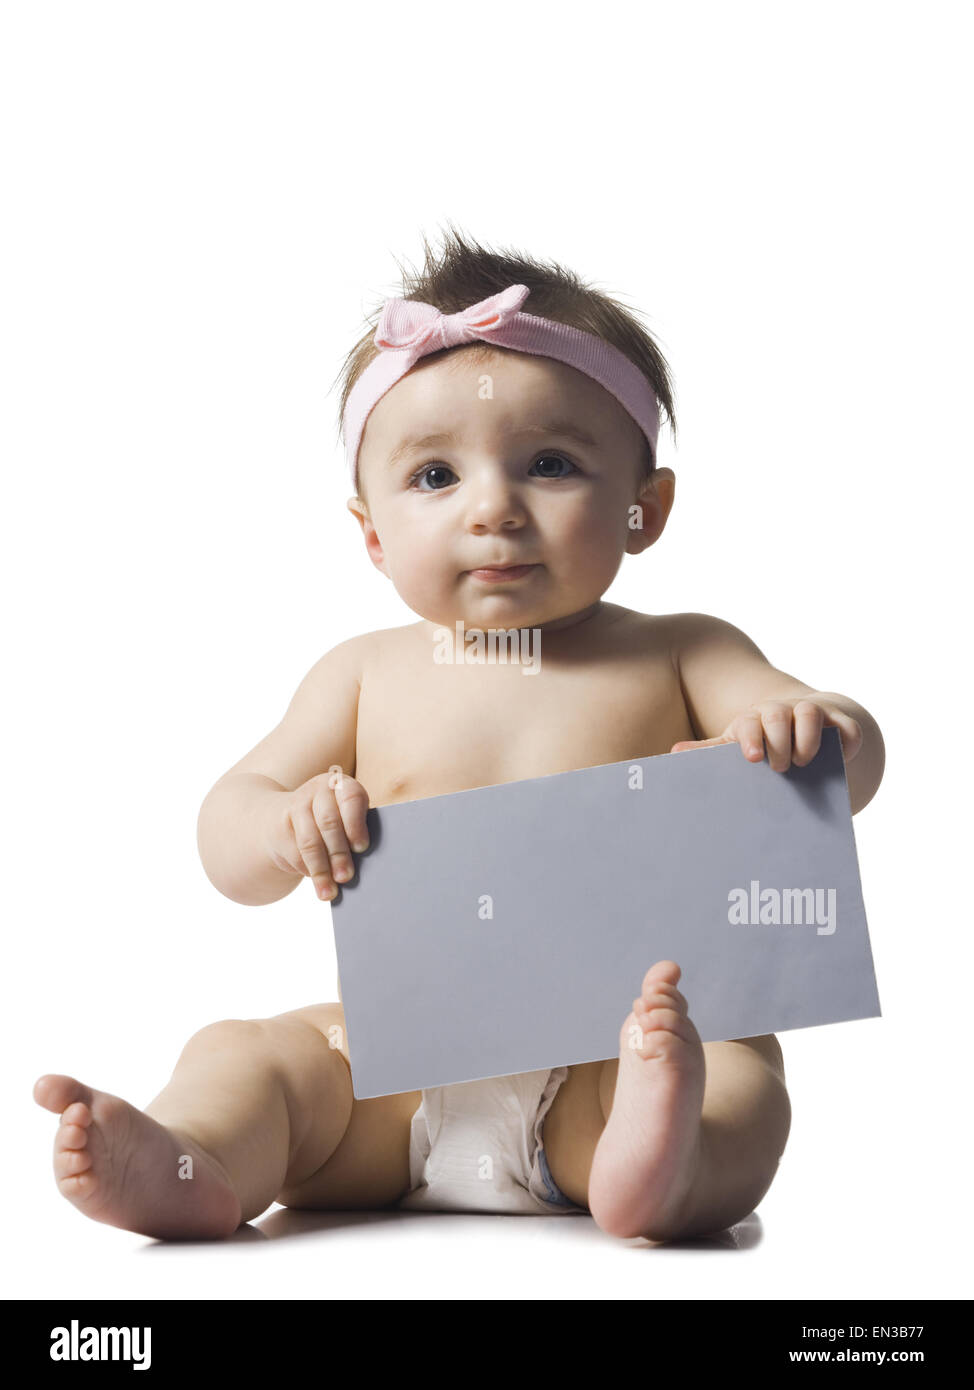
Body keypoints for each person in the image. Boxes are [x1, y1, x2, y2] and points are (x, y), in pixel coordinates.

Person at [34, 226, 885, 1241]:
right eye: (435, 476)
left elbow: (851, 753)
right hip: (390, 1072)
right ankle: (196, 1156)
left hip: (611, 1054)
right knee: (250, 1052)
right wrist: (282, 824)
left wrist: (806, 730)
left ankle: (661, 1159)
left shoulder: (686, 652)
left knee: (739, 1074)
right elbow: (227, 832)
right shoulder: (359, 673)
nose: (493, 509)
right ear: (371, 534)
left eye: (552, 464)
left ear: (642, 510)